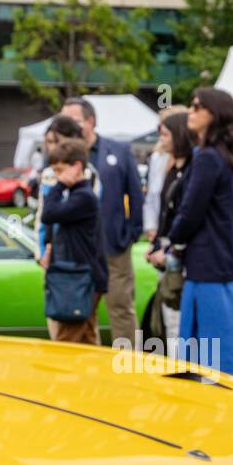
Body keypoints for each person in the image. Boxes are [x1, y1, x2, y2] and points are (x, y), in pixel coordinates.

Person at [162, 88, 233, 375]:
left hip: (207, 263)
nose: (190, 110)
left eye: (197, 106)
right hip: (220, 257)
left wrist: (172, 241)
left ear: (214, 114)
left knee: (208, 354)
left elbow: (190, 210)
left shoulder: (207, 158)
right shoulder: (219, 156)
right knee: (218, 344)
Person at [61, 97, 143, 346]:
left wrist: (131, 233)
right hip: (78, 249)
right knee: (82, 311)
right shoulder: (62, 154)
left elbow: (135, 194)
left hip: (113, 245)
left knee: (120, 307)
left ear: (90, 122)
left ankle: (128, 365)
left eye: (74, 120)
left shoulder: (118, 151)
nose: (69, 127)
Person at [40, 138, 107, 345]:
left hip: (80, 277)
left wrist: (59, 185)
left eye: (59, 170)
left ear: (77, 167)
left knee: (67, 340)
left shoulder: (83, 197)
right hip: (83, 275)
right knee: (86, 337)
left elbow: (48, 213)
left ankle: (64, 377)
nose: (56, 177)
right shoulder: (76, 196)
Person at [145, 111, 194, 347]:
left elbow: (185, 220)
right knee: (168, 323)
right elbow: (166, 215)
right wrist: (156, 247)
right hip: (167, 255)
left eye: (165, 135)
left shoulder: (191, 173)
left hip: (181, 261)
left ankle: (185, 375)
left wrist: (169, 252)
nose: (161, 141)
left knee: (178, 323)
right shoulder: (171, 172)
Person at [35, 114, 96, 264]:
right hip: (53, 251)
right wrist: (42, 250)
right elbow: (43, 215)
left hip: (78, 252)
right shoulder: (49, 174)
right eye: (48, 142)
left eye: (56, 141)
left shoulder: (88, 175)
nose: (52, 147)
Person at [143, 104, 189, 243]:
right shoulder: (157, 158)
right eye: (160, 129)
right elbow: (151, 195)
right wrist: (151, 226)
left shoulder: (194, 161)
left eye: (166, 131)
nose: (161, 135)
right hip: (161, 229)